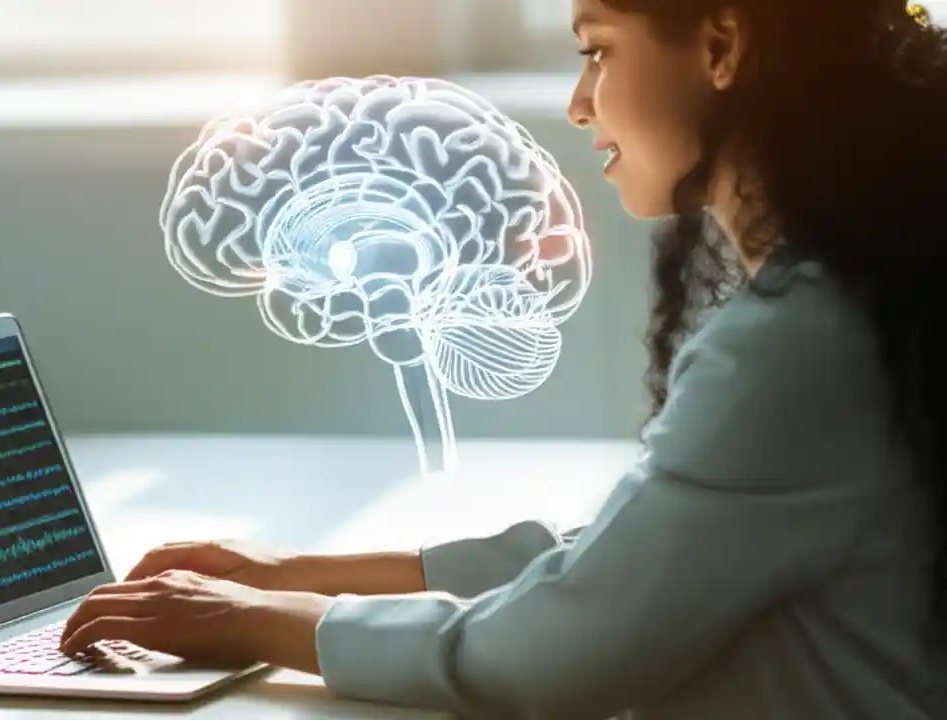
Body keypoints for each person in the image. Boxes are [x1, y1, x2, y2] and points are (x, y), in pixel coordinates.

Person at [59, 0, 947, 716]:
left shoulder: (796, 345)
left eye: (598, 51)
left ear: (721, 45)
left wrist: (260, 621)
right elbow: (619, 559)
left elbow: (555, 652)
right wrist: (291, 574)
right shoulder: (857, 299)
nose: (580, 104)